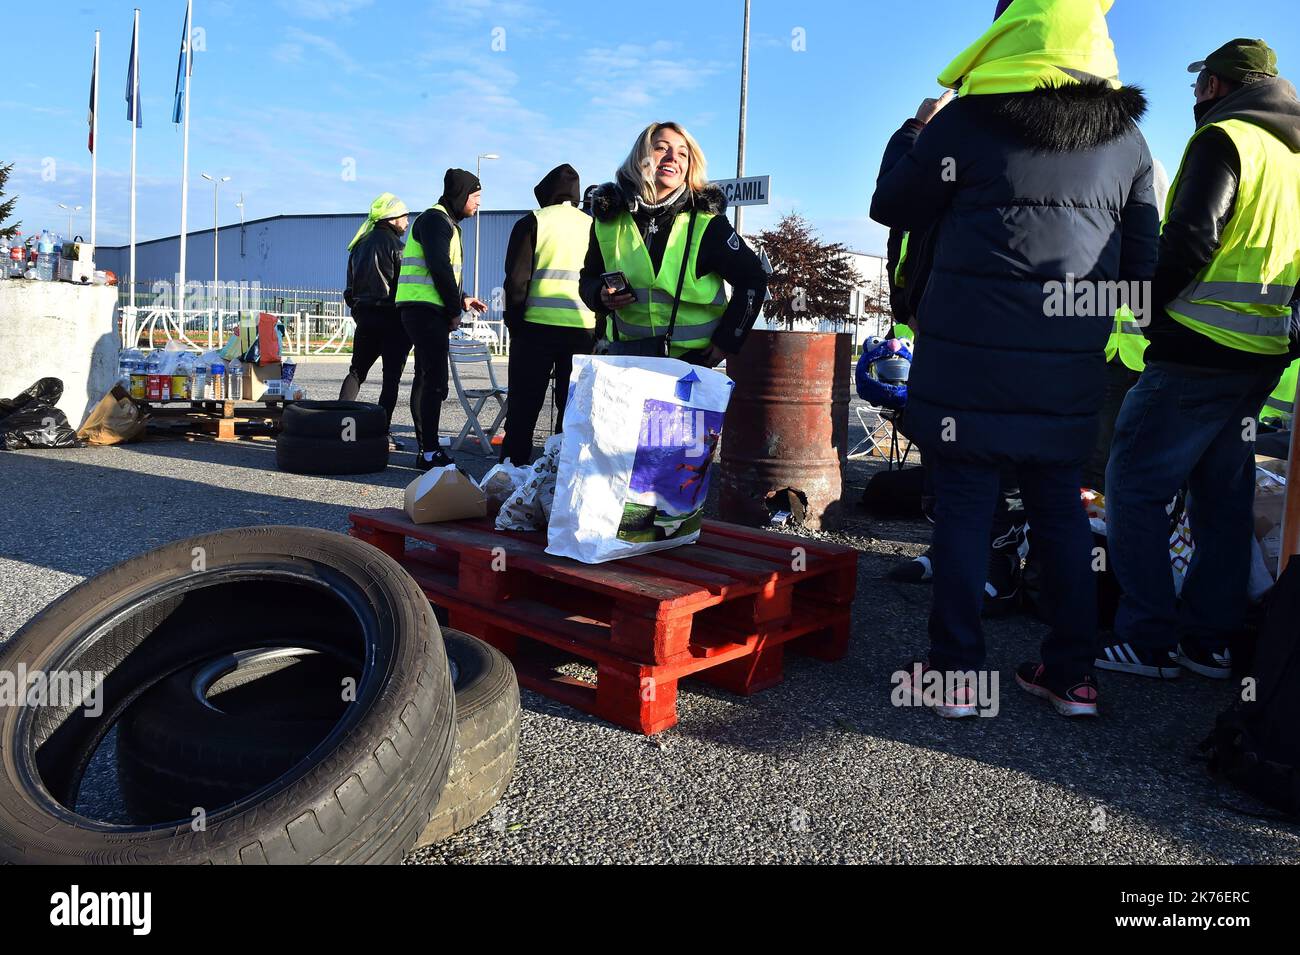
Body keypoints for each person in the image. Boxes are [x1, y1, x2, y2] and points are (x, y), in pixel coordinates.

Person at [869, 0, 1159, 718]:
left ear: (1010, 29)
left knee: (968, 506)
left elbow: (893, 206)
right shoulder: (1128, 142)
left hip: (967, 359)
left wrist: (917, 130)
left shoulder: (968, 121)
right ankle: (1073, 675)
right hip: (1066, 363)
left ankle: (957, 675)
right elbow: (1142, 273)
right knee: (1059, 507)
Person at [1102, 39, 1300, 680]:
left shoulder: (1226, 139)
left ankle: (1147, 638)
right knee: (1223, 494)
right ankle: (1209, 642)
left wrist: (1153, 316)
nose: (1191, 95)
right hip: (1262, 355)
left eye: (1198, 84)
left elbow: (1189, 237)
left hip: (1196, 350)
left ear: (1217, 86)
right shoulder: (1293, 156)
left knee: (1135, 486)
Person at [579, 122, 767, 367]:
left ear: (690, 166)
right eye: (661, 148)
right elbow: (588, 278)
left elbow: (752, 278)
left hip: (690, 365)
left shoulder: (707, 223)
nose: (672, 158)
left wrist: (727, 341)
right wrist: (599, 295)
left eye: (682, 153)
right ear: (640, 158)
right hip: (625, 361)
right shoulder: (608, 220)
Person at [499, 164, 595, 465]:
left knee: (523, 408)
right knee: (573, 411)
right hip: (584, 330)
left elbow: (516, 280)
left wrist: (514, 323)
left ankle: (512, 473)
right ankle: (561, 476)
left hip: (534, 330)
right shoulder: (593, 224)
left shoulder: (533, 222)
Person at [396, 169, 489, 469]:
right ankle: (429, 451)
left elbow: (440, 270)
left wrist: (461, 299)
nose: (477, 204)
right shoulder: (436, 220)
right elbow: (439, 268)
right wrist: (453, 311)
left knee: (427, 377)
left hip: (424, 307)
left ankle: (427, 448)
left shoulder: (443, 221)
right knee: (433, 379)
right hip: (424, 310)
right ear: (461, 196)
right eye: (475, 198)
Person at [341, 193, 412, 449]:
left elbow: (349, 291)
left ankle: (341, 428)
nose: (407, 222)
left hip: (366, 319)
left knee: (357, 372)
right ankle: (382, 434)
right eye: (404, 216)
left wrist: (360, 310)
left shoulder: (358, 245)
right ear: (392, 219)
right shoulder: (400, 248)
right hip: (394, 321)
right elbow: (405, 289)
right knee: (390, 379)